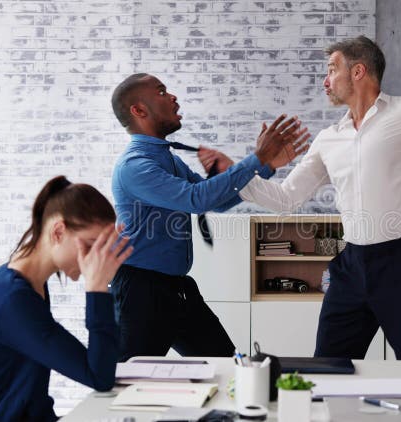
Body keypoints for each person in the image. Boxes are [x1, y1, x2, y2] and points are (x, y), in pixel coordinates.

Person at [238, 35, 401, 380]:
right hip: (350, 265)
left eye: (331, 69)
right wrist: (233, 175)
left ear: (358, 71)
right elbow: (286, 198)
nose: (325, 80)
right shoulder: (329, 139)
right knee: (326, 368)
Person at [110, 73, 309, 361]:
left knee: (225, 366)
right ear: (139, 110)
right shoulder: (135, 166)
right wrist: (257, 159)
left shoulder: (168, 160)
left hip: (176, 288)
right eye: (162, 92)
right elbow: (197, 199)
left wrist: (264, 167)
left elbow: (216, 202)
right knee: (128, 379)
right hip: (140, 292)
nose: (173, 96)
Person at [0, 176, 133, 421]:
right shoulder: (13, 301)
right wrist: (98, 288)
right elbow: (99, 376)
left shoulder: (27, 284)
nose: (96, 258)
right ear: (58, 232)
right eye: (90, 246)